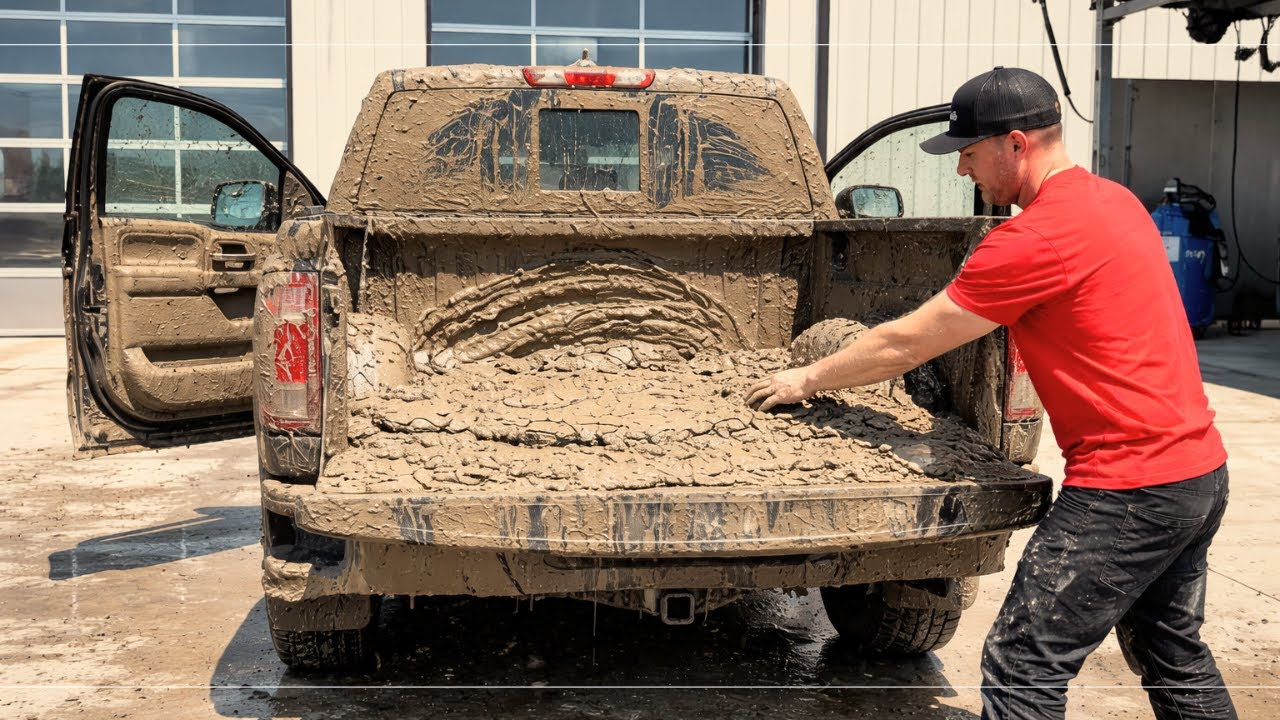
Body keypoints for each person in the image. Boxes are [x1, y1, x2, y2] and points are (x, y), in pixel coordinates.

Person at [745, 67, 1236, 720]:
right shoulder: (1116, 203)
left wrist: (804, 377)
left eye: (968, 155)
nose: (961, 173)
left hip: (1131, 489)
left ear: (1015, 144)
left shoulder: (1032, 241)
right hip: (1199, 475)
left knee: (1023, 661)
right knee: (1173, 650)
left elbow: (906, 345)